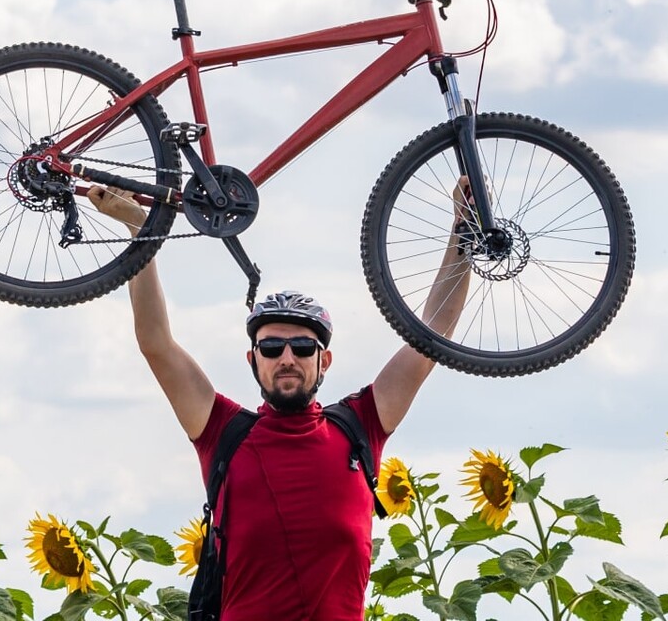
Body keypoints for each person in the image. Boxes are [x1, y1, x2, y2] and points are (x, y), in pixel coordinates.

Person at [88, 180, 473, 621]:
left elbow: (433, 332)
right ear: (253, 360)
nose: (286, 358)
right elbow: (156, 343)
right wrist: (141, 232)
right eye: (271, 349)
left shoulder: (360, 426)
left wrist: (465, 225)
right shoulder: (222, 432)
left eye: (302, 348)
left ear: (324, 360)